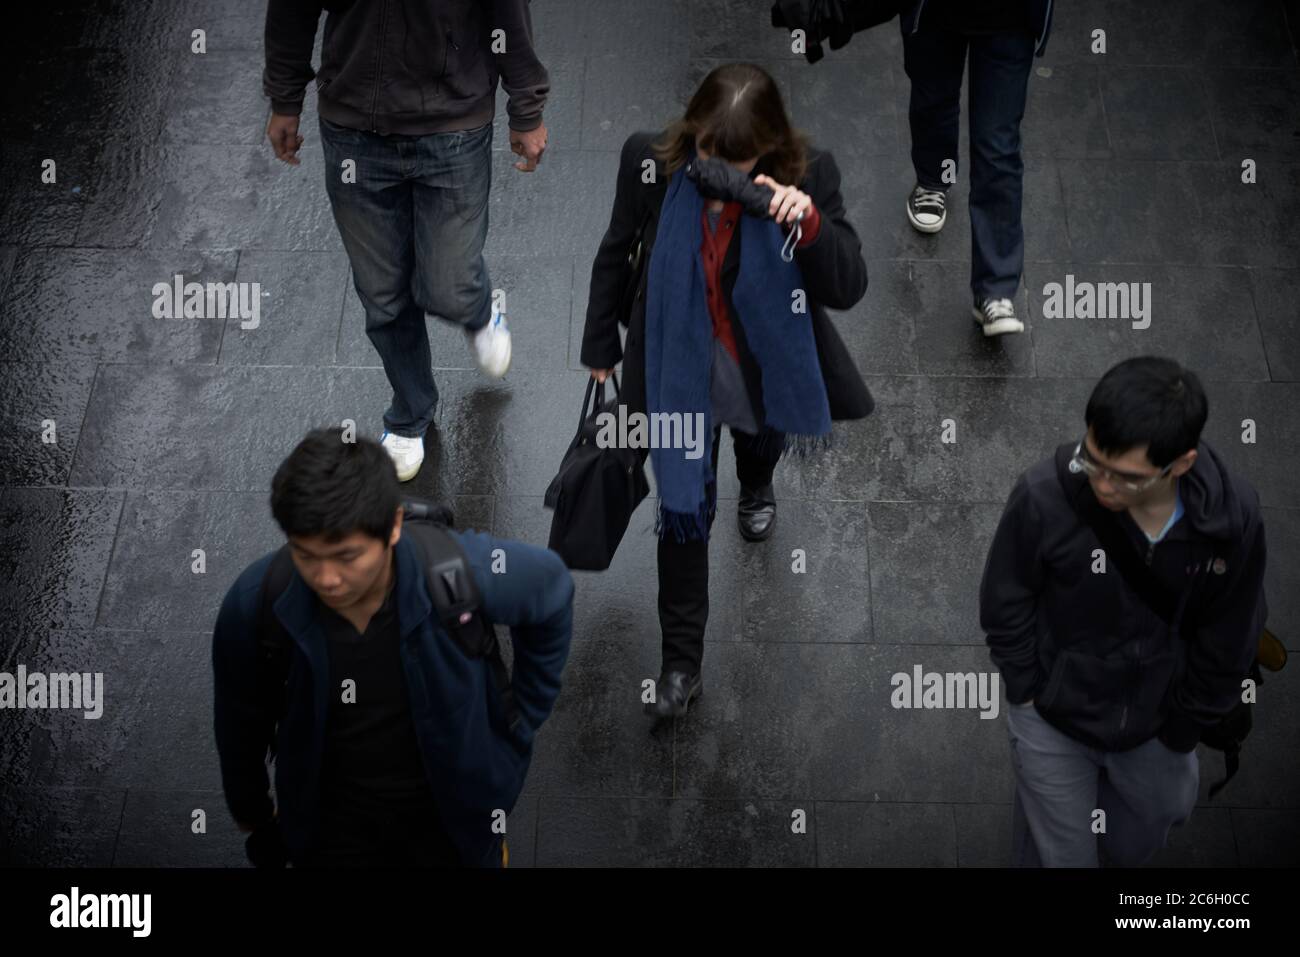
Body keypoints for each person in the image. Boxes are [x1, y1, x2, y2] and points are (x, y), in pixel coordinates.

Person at [581, 63, 871, 718]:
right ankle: (680, 665)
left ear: (768, 146)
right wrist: (600, 343)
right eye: (712, 152)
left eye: (740, 158)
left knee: (757, 440)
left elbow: (849, 286)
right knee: (683, 512)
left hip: (759, 363)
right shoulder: (648, 159)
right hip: (677, 362)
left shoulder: (810, 172)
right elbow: (616, 246)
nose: (722, 170)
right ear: (694, 131)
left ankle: (758, 480)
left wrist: (810, 224)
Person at [213, 428, 574, 867]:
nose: (326, 578)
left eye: (347, 557)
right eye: (306, 555)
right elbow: (239, 721)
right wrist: (250, 809)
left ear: (395, 526)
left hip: (454, 824)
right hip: (333, 834)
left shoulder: (458, 572)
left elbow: (551, 587)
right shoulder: (256, 604)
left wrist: (522, 715)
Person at [980, 357, 1268, 866]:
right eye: (1093, 460)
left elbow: (1233, 631)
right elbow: (1006, 601)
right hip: (1053, 718)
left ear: (1180, 463)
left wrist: (1184, 725)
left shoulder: (1230, 521)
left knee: (1142, 840)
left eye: (1126, 477)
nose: (1102, 484)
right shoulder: (1044, 496)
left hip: (1159, 729)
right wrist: (1026, 693)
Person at [263, 0, 551, 481]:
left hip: (452, 125)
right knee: (382, 294)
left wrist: (527, 106)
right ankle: (410, 413)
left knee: (449, 279)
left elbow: (507, 10)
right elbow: (291, 10)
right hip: (353, 128)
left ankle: (476, 309)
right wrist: (284, 98)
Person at [897, 0, 1054, 335]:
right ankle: (933, 178)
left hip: (1011, 19)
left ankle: (995, 291)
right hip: (934, 11)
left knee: (999, 146)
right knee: (933, 104)